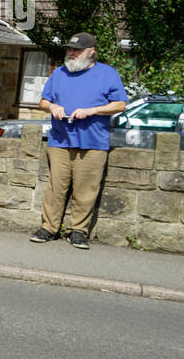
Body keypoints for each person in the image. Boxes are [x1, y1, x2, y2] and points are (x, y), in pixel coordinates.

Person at [31, 32, 127, 249]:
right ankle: (49, 228)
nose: (70, 53)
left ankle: (78, 231)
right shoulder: (59, 73)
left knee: (86, 189)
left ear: (91, 53)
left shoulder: (108, 74)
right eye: (69, 49)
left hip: (93, 142)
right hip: (60, 140)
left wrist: (92, 111)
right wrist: (53, 106)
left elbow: (120, 105)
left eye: (76, 50)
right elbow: (43, 102)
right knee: (56, 187)